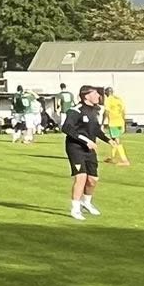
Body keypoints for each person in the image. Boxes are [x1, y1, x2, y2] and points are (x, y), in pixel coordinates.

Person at [62, 85, 109, 220]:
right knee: (81, 177)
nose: (98, 96)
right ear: (86, 95)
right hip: (75, 147)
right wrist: (85, 140)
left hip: (89, 149)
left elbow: (95, 129)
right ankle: (75, 209)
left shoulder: (94, 111)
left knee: (92, 179)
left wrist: (108, 140)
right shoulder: (75, 110)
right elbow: (66, 128)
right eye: (95, 94)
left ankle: (86, 203)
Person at [103, 87, 132, 167]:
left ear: (107, 92)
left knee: (116, 141)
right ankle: (112, 157)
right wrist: (124, 122)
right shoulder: (119, 99)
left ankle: (125, 161)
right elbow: (123, 111)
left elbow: (106, 111)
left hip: (113, 122)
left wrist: (102, 122)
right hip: (120, 122)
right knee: (114, 140)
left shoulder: (108, 100)